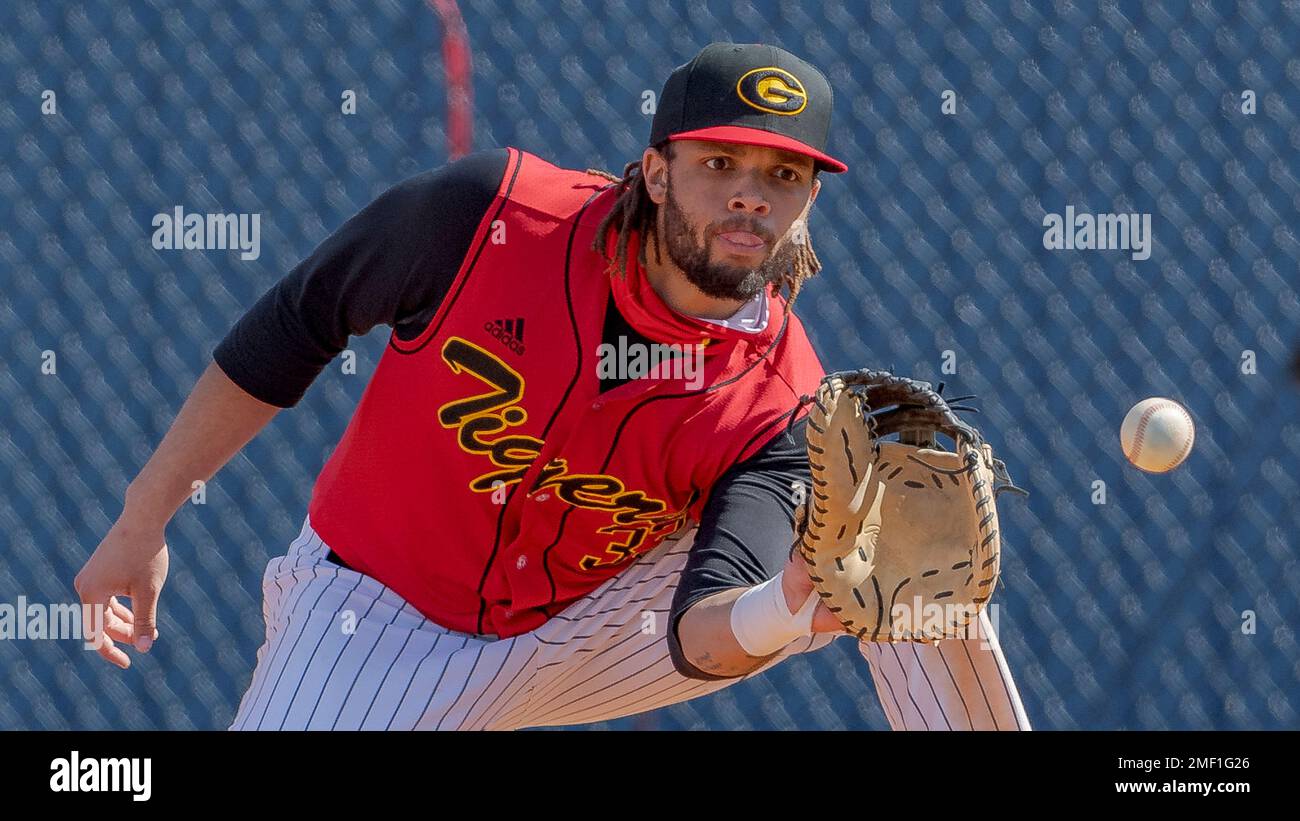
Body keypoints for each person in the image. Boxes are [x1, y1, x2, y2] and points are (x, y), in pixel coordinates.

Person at [74, 42, 1030, 730]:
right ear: (655, 171)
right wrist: (143, 516)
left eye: (784, 174)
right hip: (379, 615)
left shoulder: (778, 399)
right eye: (720, 162)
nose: (752, 193)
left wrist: (790, 602)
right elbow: (292, 328)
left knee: (897, 520)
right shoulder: (485, 218)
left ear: (807, 198)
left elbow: (703, 630)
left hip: (600, 617)